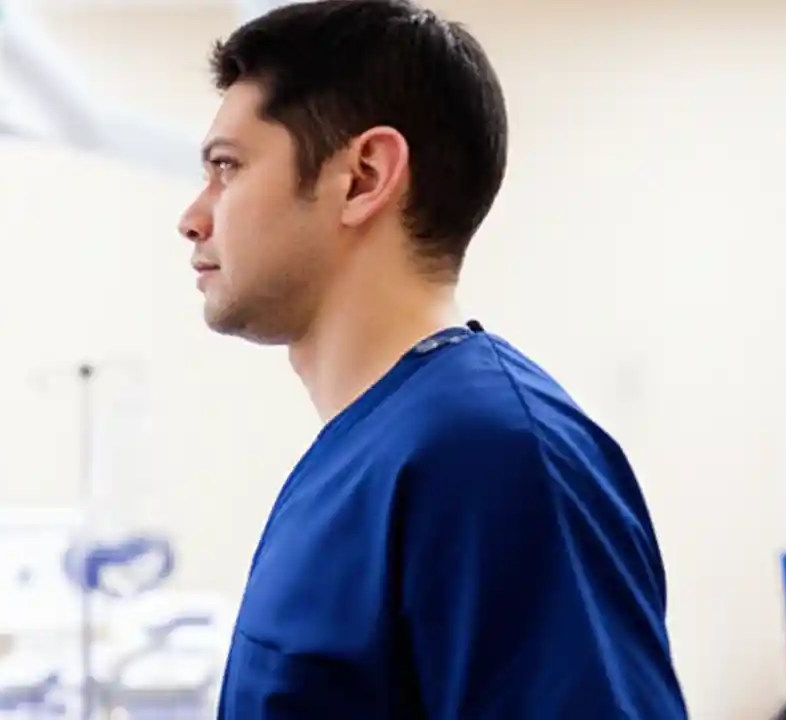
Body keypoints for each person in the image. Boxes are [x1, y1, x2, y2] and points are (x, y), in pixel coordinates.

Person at [176, 1, 687, 718]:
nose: (193, 216)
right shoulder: (372, 448)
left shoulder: (494, 457)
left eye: (227, 167)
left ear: (363, 176)